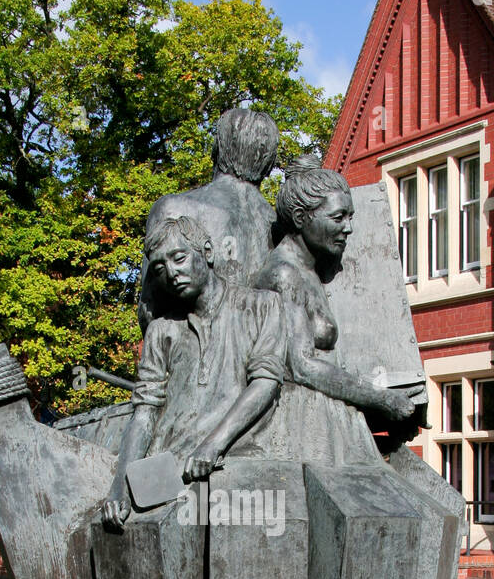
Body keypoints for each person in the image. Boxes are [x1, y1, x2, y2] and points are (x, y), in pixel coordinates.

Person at [102, 215, 285, 529]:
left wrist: (212, 445)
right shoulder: (160, 330)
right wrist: (119, 484)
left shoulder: (262, 306)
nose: (172, 273)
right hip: (163, 470)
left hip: (227, 462)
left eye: (179, 258)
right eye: (160, 268)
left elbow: (265, 382)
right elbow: (145, 410)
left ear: (208, 253)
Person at [252, 155, 421, 465]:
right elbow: (302, 365)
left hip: (332, 420)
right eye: (338, 217)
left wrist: (384, 411)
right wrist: (382, 400)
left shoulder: (315, 270)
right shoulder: (283, 275)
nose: (349, 228)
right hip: (303, 430)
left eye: (351, 216)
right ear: (302, 218)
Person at [138, 108, 280, 330]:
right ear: (269, 164)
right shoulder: (284, 228)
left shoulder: (172, 209)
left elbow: (149, 312)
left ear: (217, 149)